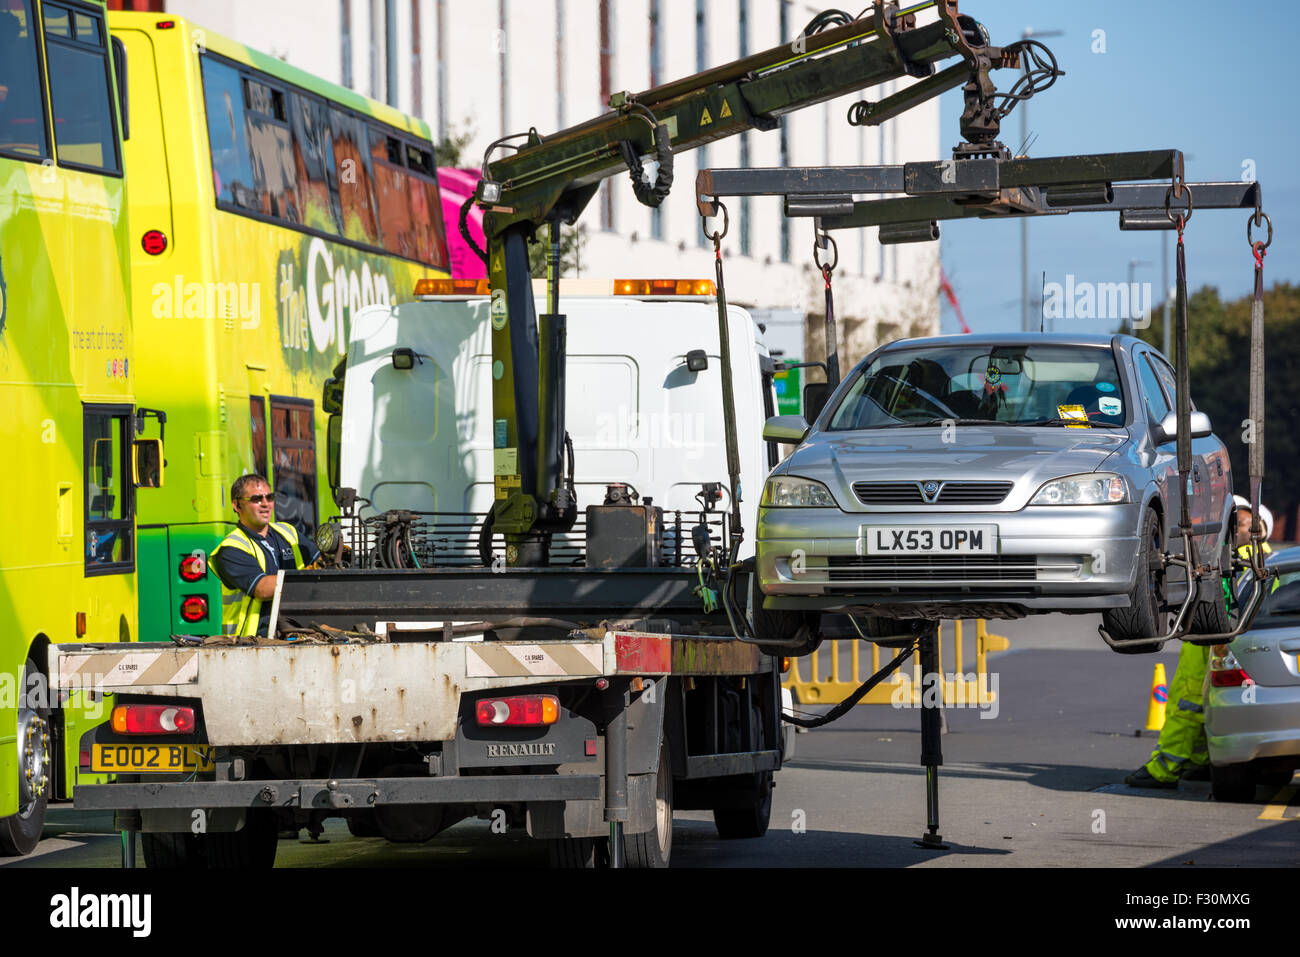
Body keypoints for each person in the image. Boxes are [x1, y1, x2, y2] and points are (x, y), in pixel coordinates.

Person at [1125, 496, 1272, 789]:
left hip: (1207, 636)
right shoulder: (1264, 560)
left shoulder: (1226, 553)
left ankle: (1164, 769)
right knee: (1212, 701)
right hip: (1240, 640)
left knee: (1188, 701)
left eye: (1242, 521)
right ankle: (1202, 760)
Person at [211, 474, 320, 638]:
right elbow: (262, 589)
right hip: (250, 642)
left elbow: (320, 563)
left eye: (269, 497)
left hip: (296, 634)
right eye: (256, 499)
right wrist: (311, 576)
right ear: (237, 505)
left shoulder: (288, 532)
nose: (265, 504)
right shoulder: (231, 548)